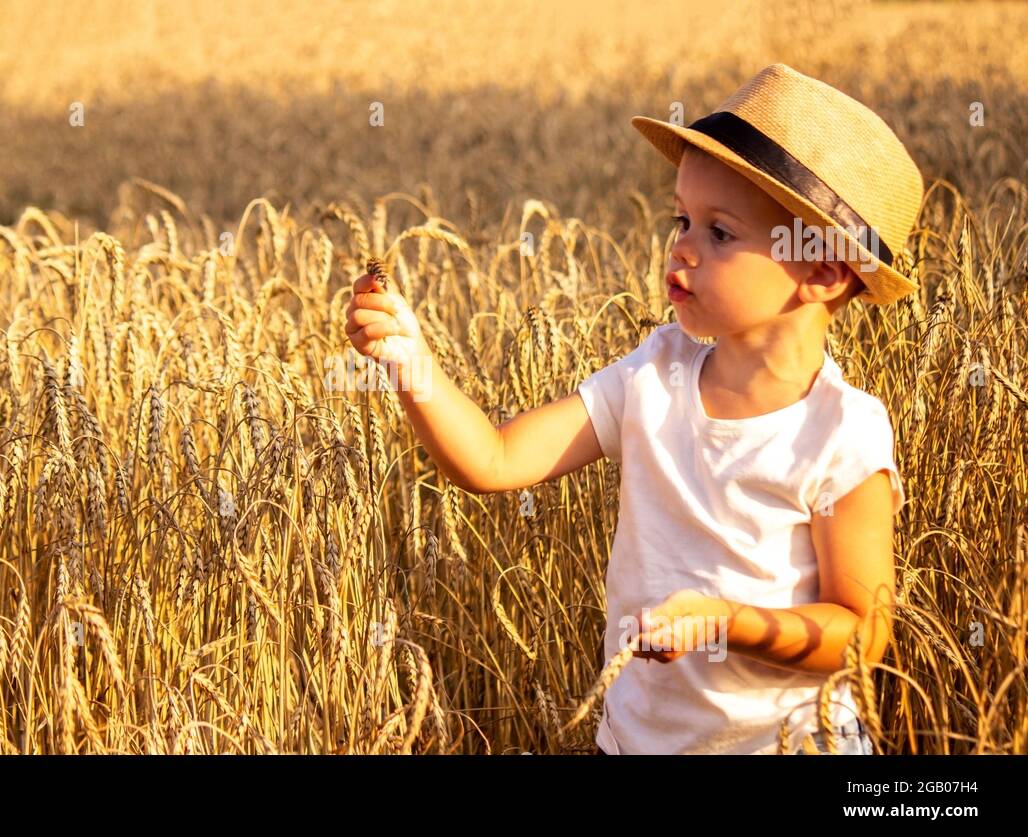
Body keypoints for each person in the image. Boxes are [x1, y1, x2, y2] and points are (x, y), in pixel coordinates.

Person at [345, 63, 918, 754]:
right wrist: (413, 363)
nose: (679, 247)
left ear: (822, 270)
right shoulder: (653, 376)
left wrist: (725, 620)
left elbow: (862, 629)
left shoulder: (841, 433)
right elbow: (493, 461)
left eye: (720, 233)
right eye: (681, 219)